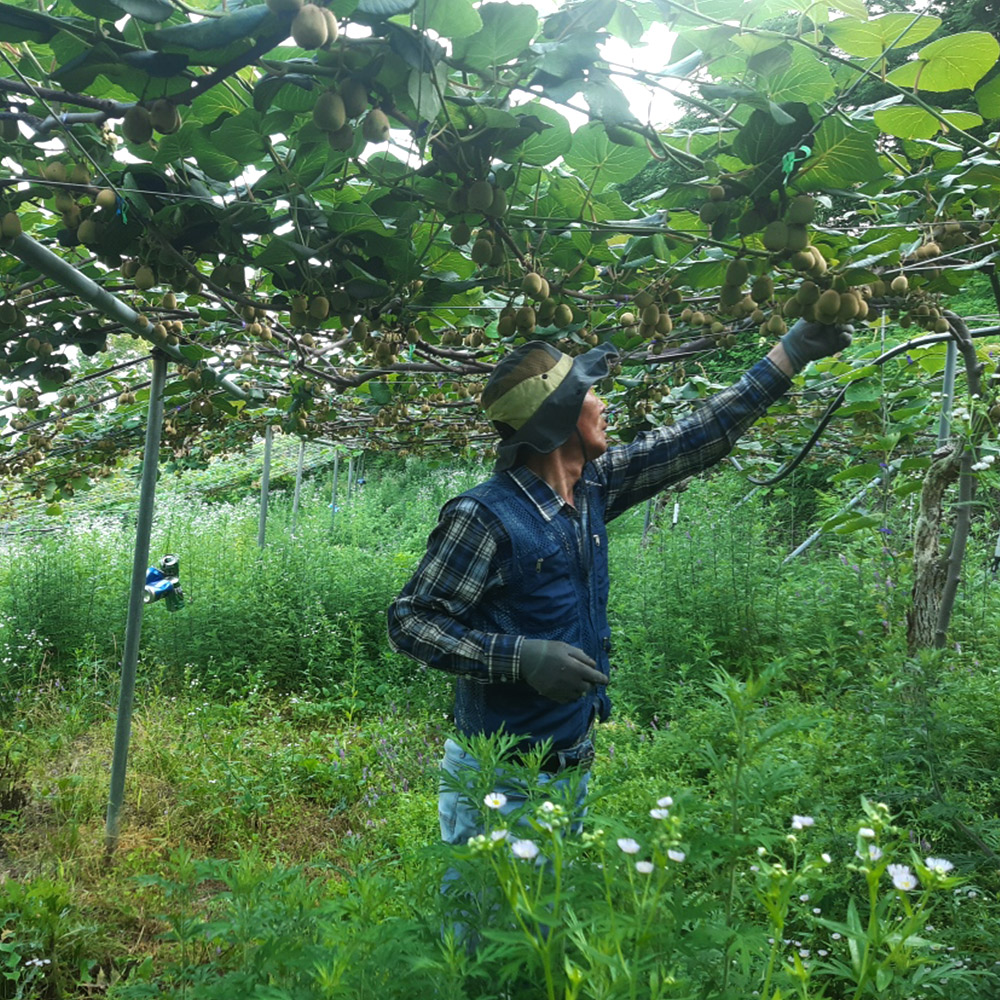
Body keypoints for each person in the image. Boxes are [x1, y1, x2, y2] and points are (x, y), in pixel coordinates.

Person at [386, 319, 851, 848]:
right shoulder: (484, 516)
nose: (602, 402)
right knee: (485, 924)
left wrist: (787, 356)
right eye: (587, 393)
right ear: (558, 418)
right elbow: (412, 620)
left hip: (569, 765)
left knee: (544, 924)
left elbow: (697, 438)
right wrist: (521, 658)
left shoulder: (591, 491)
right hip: (501, 778)